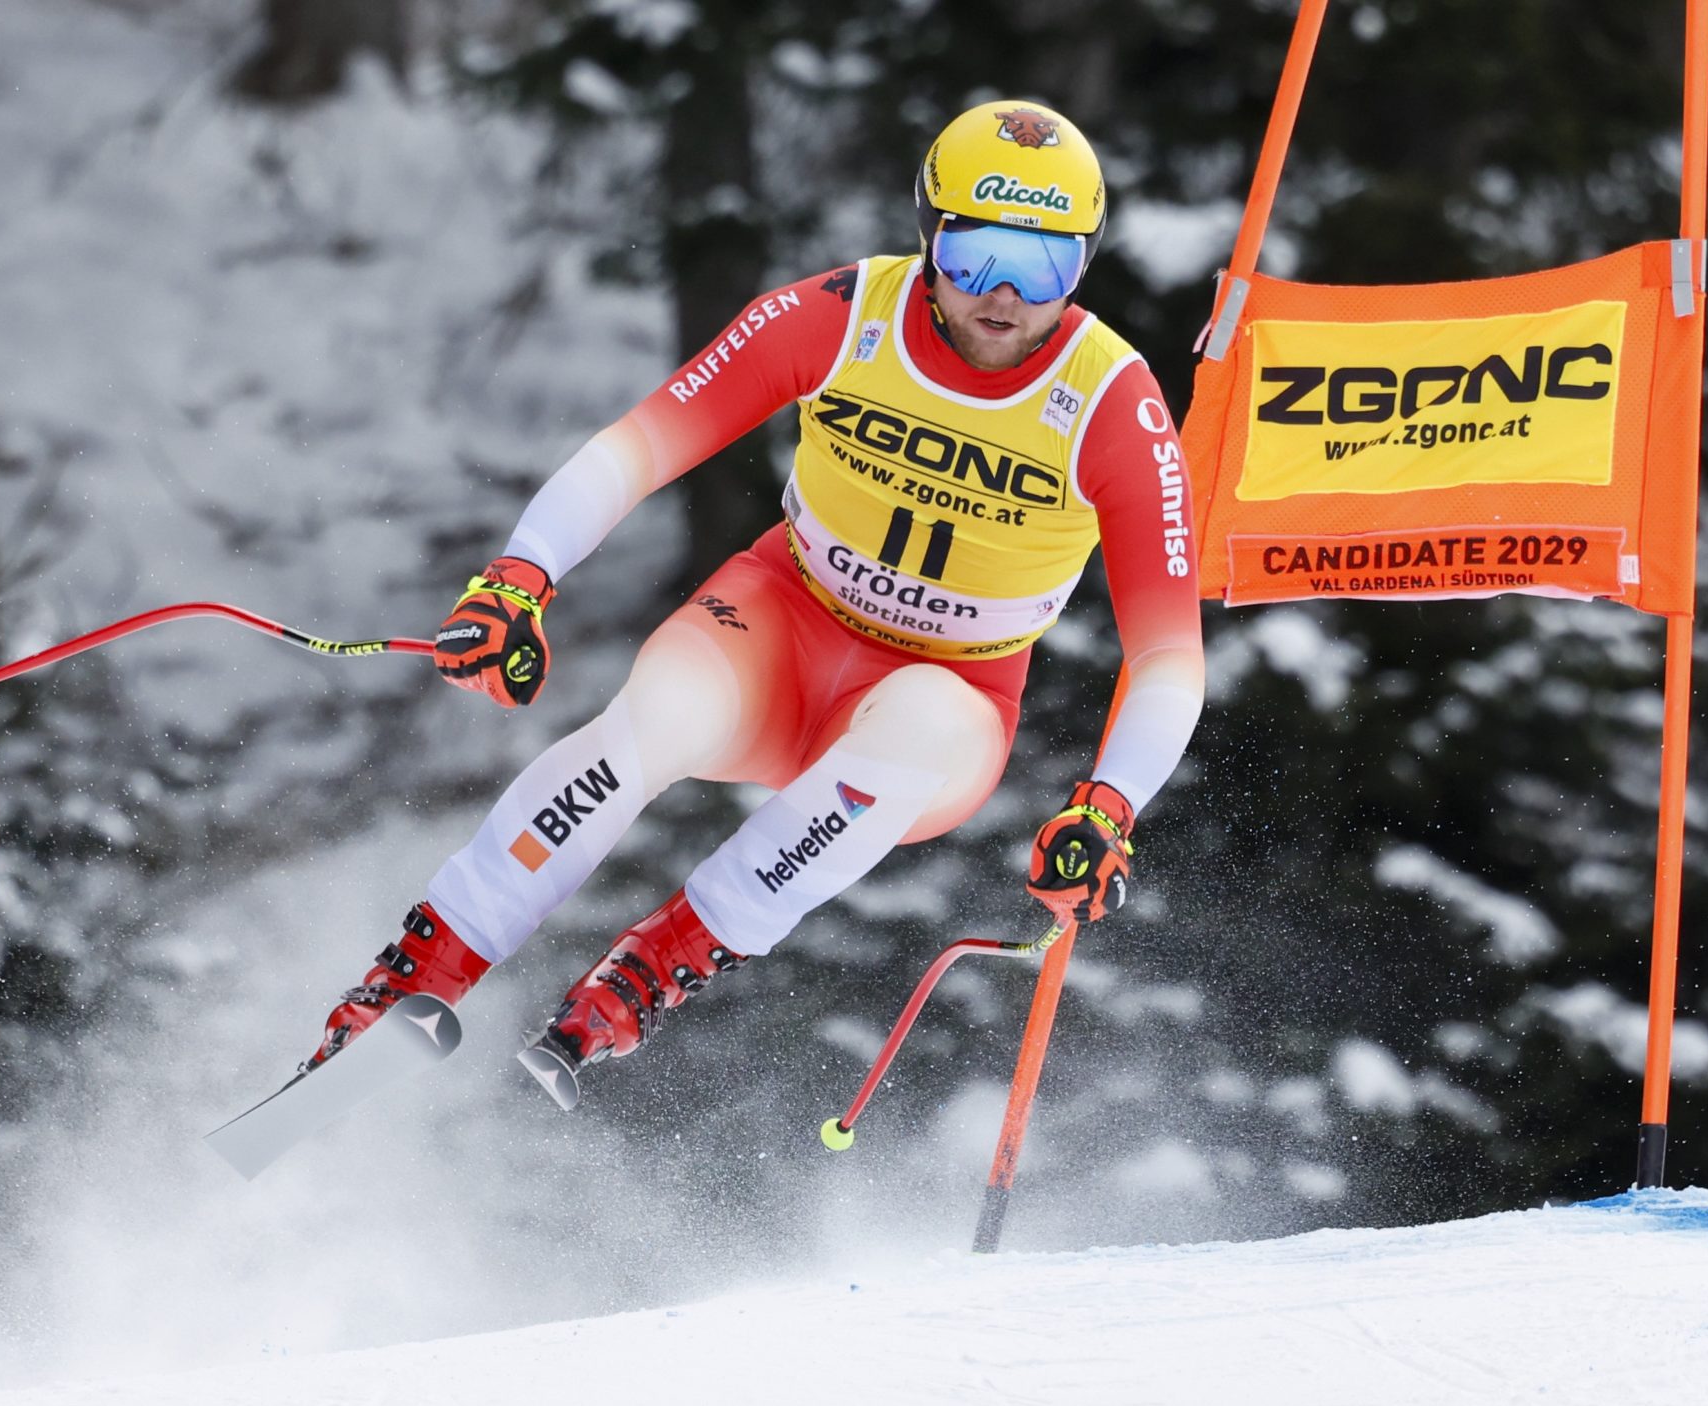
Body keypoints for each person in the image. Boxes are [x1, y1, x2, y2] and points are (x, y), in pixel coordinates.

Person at [311, 100, 1206, 1111]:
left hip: (951, 691)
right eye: (974, 254)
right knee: (652, 720)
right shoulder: (843, 314)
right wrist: (522, 575)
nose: (1003, 294)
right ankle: (422, 969)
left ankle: (651, 969)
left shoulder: (1111, 402)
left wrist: (1108, 804)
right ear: (928, 235)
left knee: (911, 734)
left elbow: (1170, 656)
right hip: (781, 621)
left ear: (1083, 265)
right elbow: (641, 445)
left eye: (1042, 267)